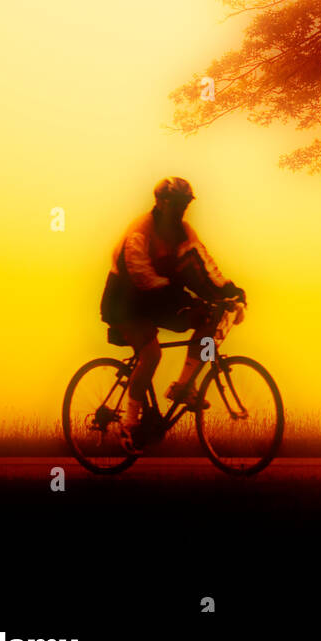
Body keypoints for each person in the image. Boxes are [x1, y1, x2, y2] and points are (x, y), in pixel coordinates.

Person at [100, 177, 245, 448]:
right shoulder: (140, 231)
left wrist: (228, 291)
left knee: (207, 319)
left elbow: (203, 266)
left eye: (186, 204)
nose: (182, 210)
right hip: (124, 301)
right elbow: (140, 276)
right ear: (161, 203)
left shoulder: (183, 232)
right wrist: (175, 295)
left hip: (159, 298)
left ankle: (184, 386)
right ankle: (130, 424)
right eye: (177, 204)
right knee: (152, 355)